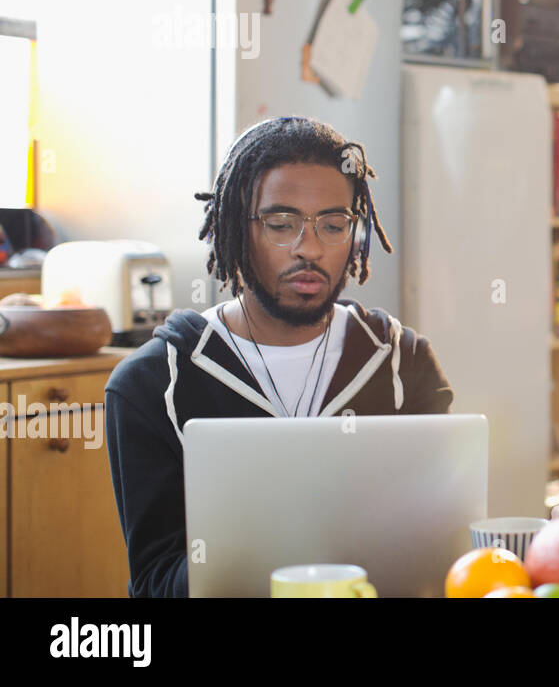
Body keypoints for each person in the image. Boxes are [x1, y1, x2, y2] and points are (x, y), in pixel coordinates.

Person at [104, 116, 454, 597]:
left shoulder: (401, 363)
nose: (308, 248)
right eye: (281, 223)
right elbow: (155, 585)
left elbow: (443, 554)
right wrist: (269, 536)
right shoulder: (154, 384)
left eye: (333, 225)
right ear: (235, 226)